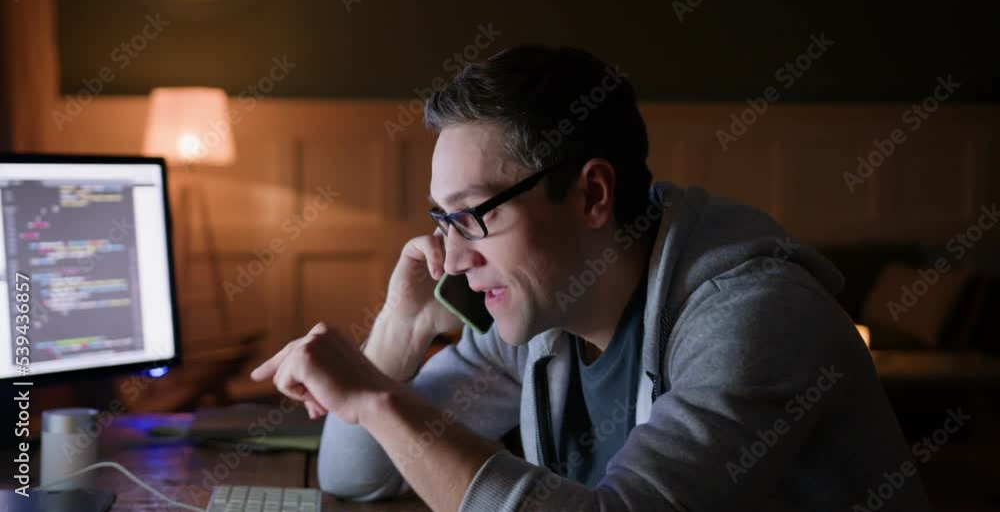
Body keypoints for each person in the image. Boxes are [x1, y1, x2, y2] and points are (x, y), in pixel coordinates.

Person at [250, 46, 931, 511]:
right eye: (441, 219)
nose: (451, 257)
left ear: (592, 195)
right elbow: (353, 475)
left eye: (475, 215)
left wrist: (375, 398)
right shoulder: (539, 317)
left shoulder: (755, 314)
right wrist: (397, 336)